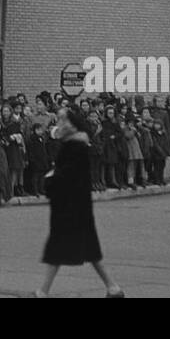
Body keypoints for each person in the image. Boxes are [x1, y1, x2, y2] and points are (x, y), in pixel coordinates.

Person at [34, 106, 124, 298]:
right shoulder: (71, 145)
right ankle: (113, 288)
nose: (59, 124)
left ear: (72, 126)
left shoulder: (76, 147)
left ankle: (42, 292)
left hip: (71, 207)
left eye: (62, 120)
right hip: (74, 207)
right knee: (88, 250)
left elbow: (67, 176)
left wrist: (50, 179)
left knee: (58, 249)